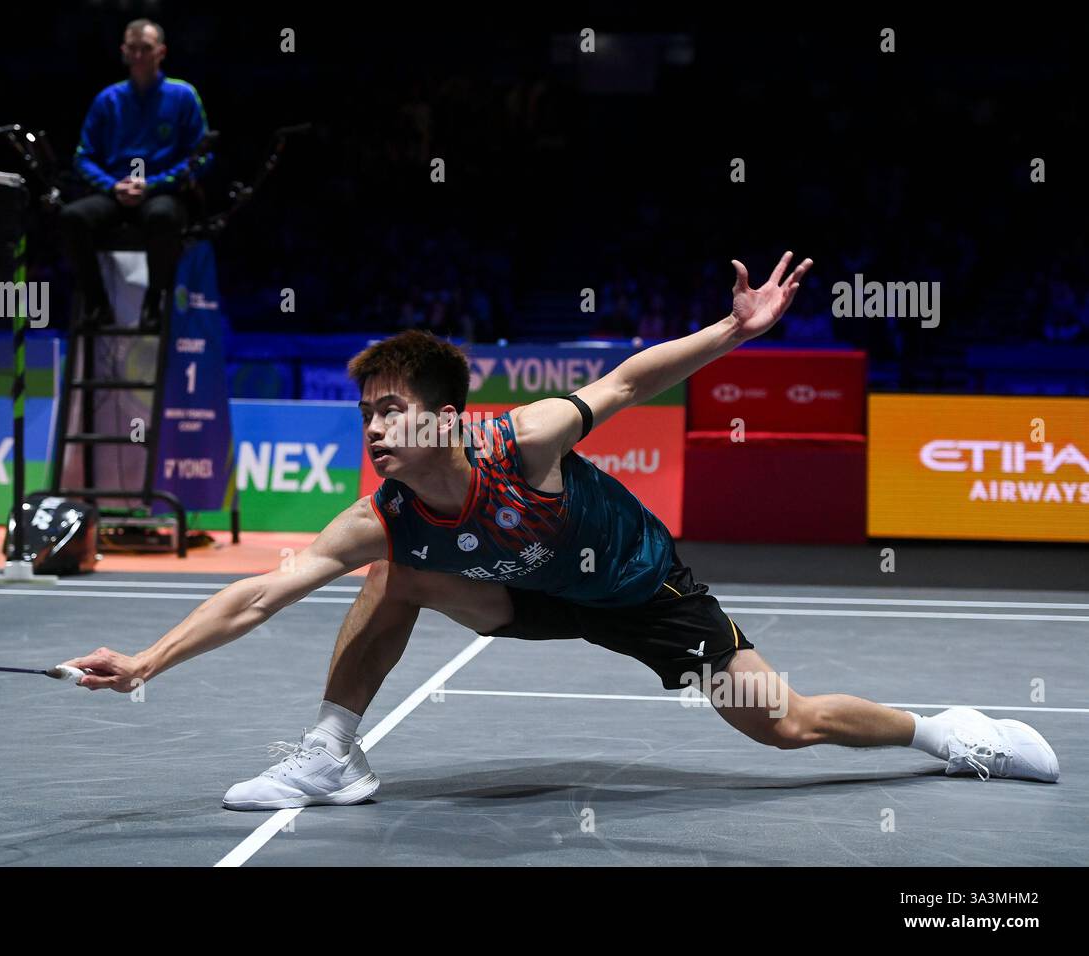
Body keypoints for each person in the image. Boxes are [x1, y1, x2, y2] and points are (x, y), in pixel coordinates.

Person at [65, 252, 1061, 809]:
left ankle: (949, 732)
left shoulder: (522, 442)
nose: (373, 424)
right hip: (524, 595)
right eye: (365, 407)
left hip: (636, 586)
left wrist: (736, 331)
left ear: (445, 416)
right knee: (398, 568)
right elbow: (261, 588)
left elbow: (628, 379)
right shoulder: (390, 513)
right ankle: (332, 752)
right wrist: (151, 657)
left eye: (392, 406)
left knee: (781, 722)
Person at [58, 18, 214, 329]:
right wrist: (114, 186)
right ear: (124, 52)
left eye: (146, 48)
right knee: (71, 217)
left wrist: (152, 185)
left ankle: (154, 305)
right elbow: (83, 157)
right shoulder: (107, 100)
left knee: (163, 217)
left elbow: (201, 156)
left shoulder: (183, 96)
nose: (139, 55)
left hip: (162, 194)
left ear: (161, 51)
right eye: (133, 49)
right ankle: (97, 305)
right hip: (115, 192)